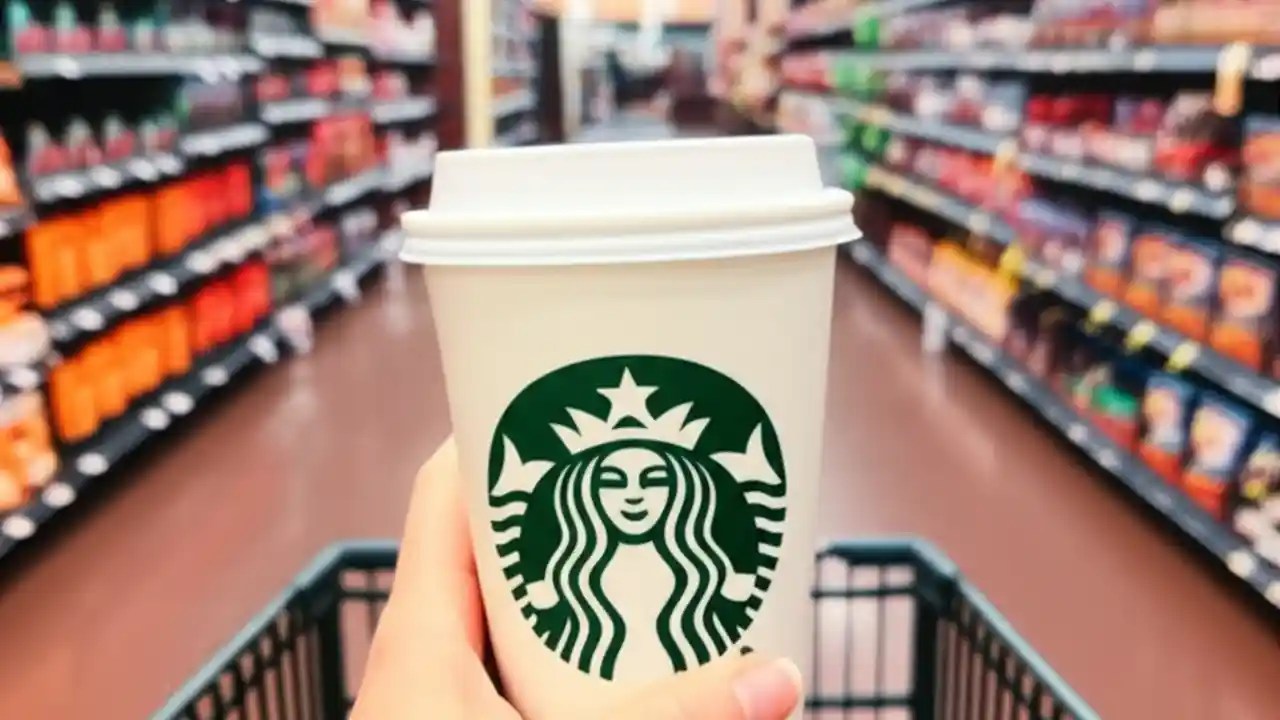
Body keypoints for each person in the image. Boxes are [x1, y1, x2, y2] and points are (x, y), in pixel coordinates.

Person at [351, 439, 803, 720]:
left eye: (654, 479)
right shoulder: (568, 584)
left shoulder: (703, 579)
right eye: (612, 479)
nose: (633, 495)